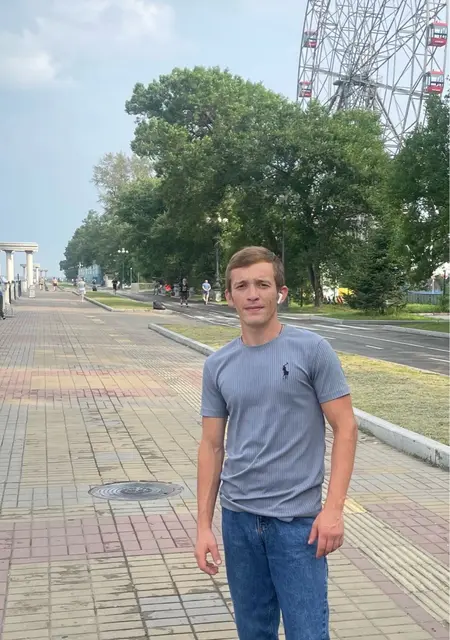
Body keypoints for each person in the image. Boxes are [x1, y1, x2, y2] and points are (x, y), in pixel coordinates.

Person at [196, 246, 357, 640]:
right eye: (242, 286)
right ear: (229, 296)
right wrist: (203, 526)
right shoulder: (218, 365)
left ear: (280, 293)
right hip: (238, 521)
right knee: (253, 632)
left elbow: (346, 428)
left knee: (308, 632)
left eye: (262, 284)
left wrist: (333, 510)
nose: (252, 294)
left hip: (298, 525)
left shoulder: (312, 351)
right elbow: (211, 446)